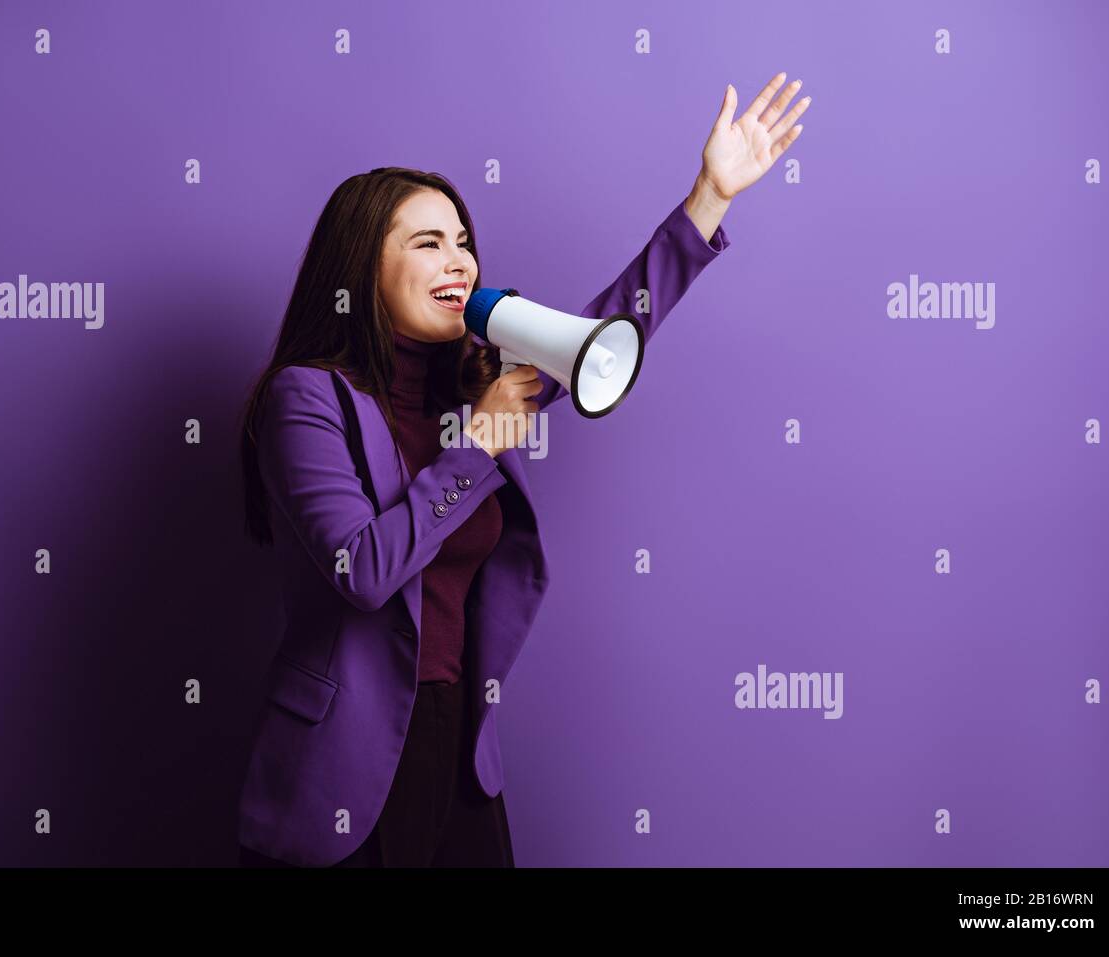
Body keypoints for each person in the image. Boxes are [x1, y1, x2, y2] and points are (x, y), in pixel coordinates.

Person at [236, 73, 811, 867]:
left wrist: (708, 197)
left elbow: (603, 335)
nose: (460, 260)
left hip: (460, 754)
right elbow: (362, 568)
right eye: (428, 243)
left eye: (464, 240)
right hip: (347, 765)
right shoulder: (307, 398)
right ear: (361, 267)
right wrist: (475, 447)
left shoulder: (473, 386)